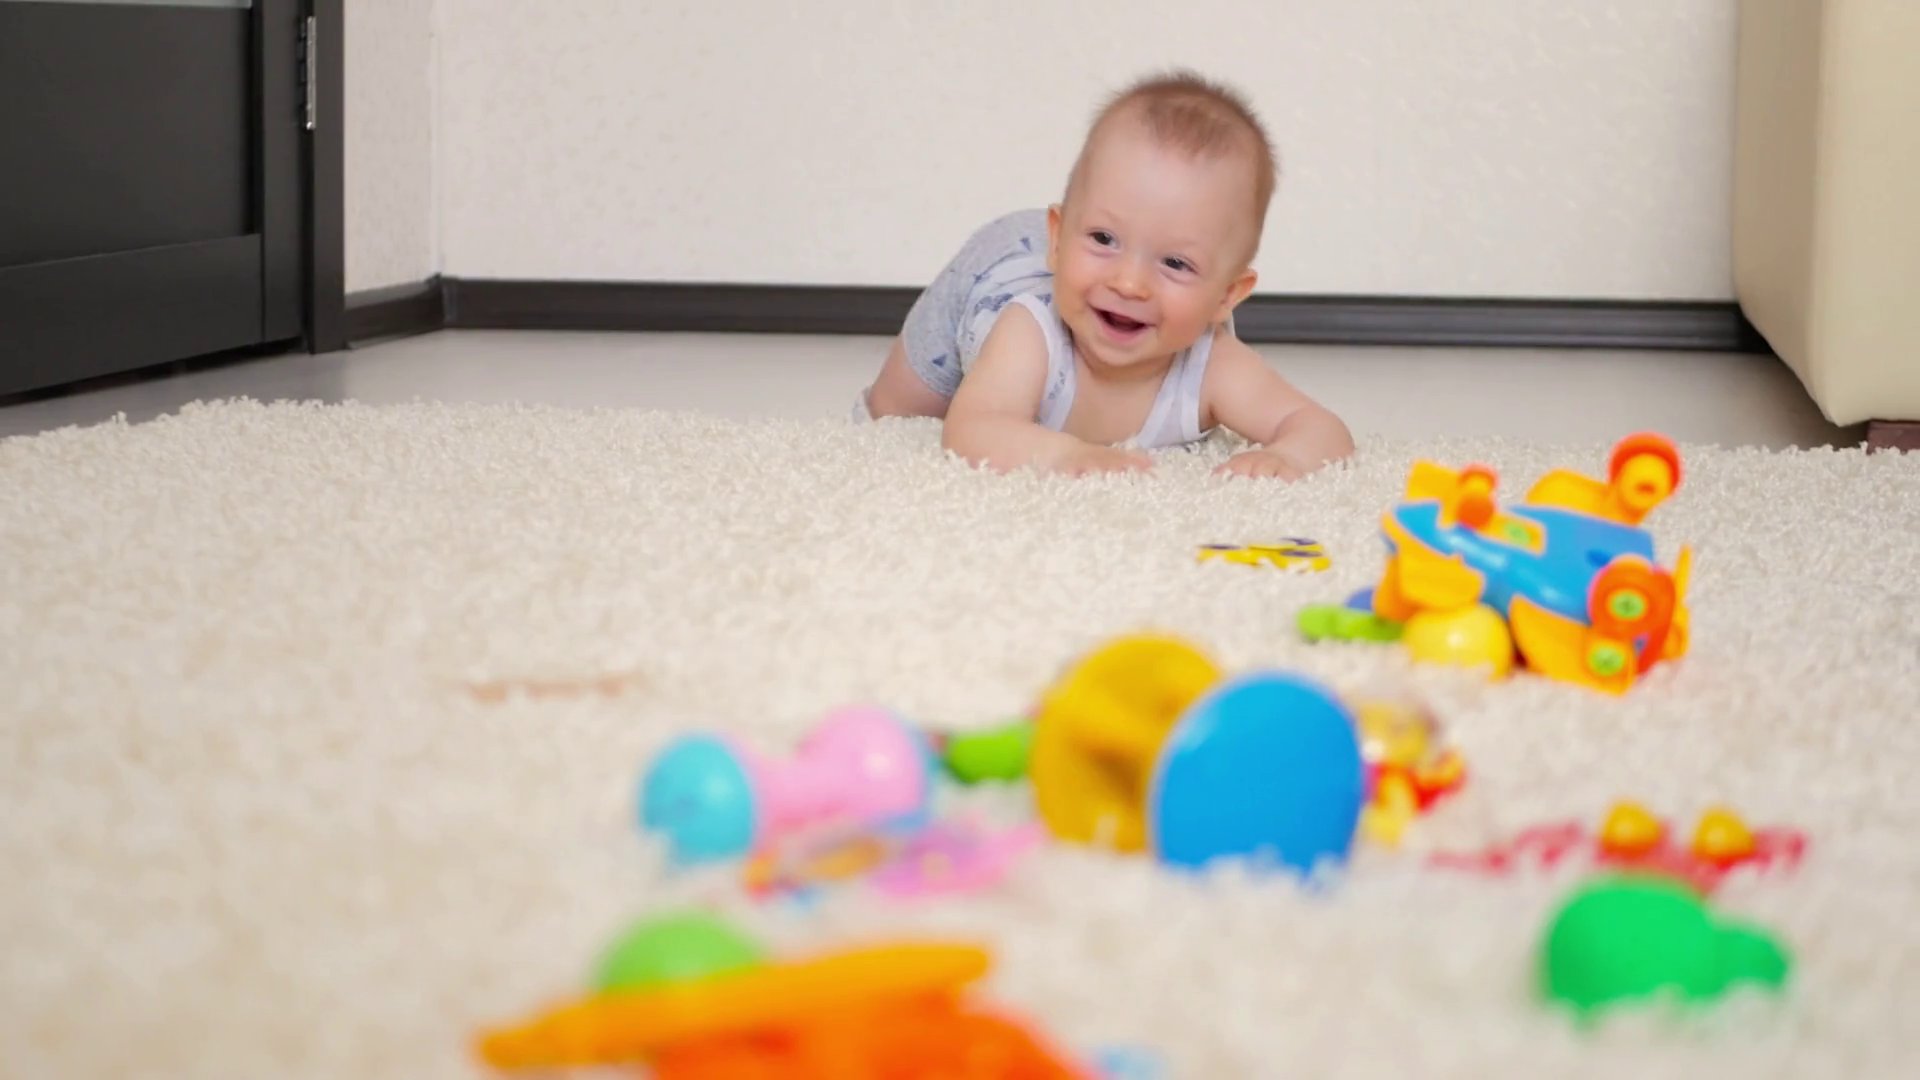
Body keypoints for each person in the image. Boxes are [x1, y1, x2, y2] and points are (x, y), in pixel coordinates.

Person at [854, 69, 1355, 479]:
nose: (1128, 283)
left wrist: (1287, 457)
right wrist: (1062, 456)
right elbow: (972, 429)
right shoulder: (1030, 331)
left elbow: (1320, 428)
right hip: (991, 275)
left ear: (1227, 295)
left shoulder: (1213, 364)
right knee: (897, 420)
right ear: (1059, 238)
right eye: (1103, 239)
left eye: (1175, 263)